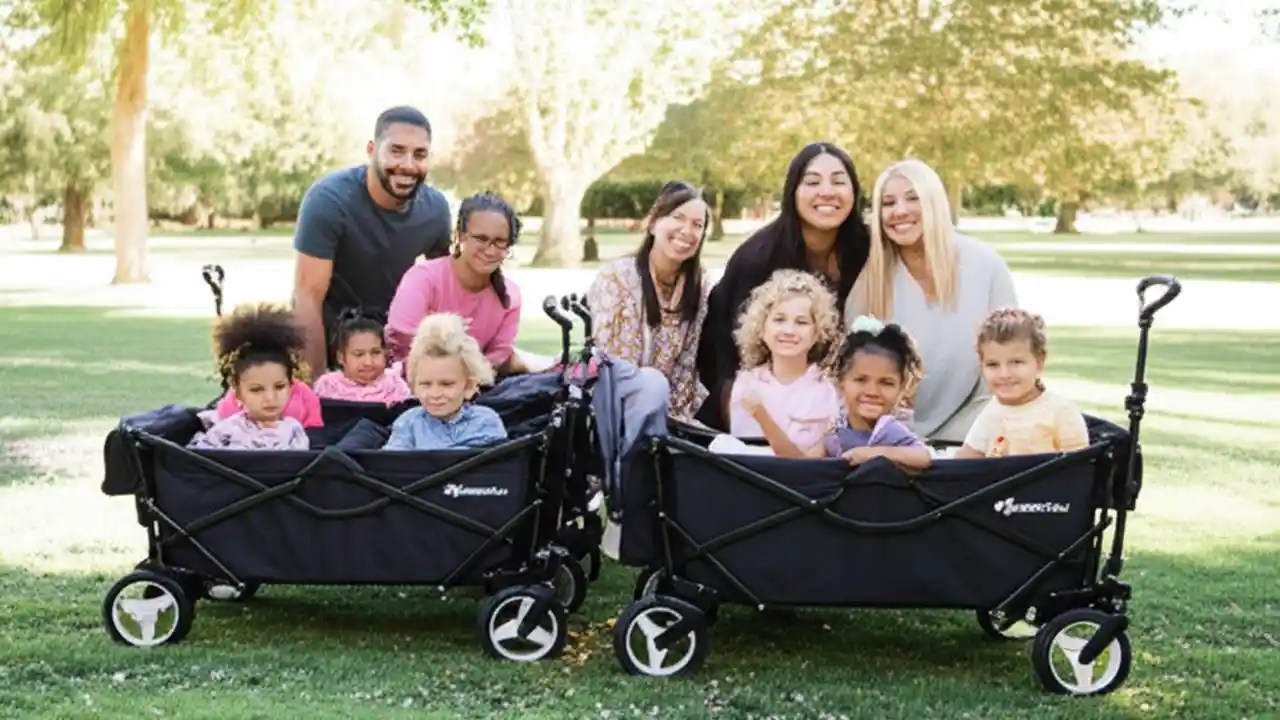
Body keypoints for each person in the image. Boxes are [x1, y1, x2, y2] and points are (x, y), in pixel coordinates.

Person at [697, 142, 872, 431]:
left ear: (854, 192)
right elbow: (726, 354)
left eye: (839, 181)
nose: (827, 191)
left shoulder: (869, 252)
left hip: (841, 403)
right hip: (763, 403)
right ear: (793, 192)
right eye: (813, 182)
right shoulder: (757, 259)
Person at [846, 158, 1017, 442]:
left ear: (935, 203)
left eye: (913, 198)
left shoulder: (986, 266)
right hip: (889, 437)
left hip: (975, 431)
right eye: (888, 203)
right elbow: (851, 373)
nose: (900, 211)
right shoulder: (870, 281)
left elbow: (1009, 356)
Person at [292, 106, 452, 378]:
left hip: (393, 349)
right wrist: (316, 386)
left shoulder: (435, 209)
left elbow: (444, 292)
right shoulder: (328, 200)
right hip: (336, 344)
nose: (408, 165)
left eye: (420, 154)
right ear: (371, 150)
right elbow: (307, 297)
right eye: (396, 150)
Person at [587, 181, 711, 421]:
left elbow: (688, 364)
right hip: (616, 407)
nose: (687, 231)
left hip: (673, 413)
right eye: (678, 218)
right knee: (651, 382)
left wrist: (675, 418)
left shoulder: (700, 285)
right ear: (654, 222)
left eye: (698, 225)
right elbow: (616, 365)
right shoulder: (618, 278)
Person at [756, 316, 930, 471]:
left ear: (901, 389)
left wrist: (874, 454)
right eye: (861, 380)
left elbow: (922, 457)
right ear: (841, 382)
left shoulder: (888, 429)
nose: (872, 392)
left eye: (886, 383)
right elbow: (803, 467)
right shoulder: (837, 433)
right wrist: (763, 418)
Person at [385, 191, 525, 376]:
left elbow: (498, 356)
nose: (490, 251)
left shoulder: (510, 295)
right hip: (412, 386)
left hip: (474, 388)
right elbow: (402, 340)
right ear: (461, 236)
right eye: (481, 239)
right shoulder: (423, 278)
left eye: (499, 242)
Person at [728, 269, 842, 451]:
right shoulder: (747, 385)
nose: (789, 330)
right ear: (762, 329)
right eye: (779, 320)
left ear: (817, 333)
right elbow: (746, 454)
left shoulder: (828, 390)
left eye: (801, 322)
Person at [956, 308, 1089, 458]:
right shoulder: (992, 412)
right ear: (981, 365)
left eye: (1016, 362)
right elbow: (967, 457)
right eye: (993, 364)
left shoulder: (1060, 412)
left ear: (1039, 362)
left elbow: (1079, 467)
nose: (1004, 374)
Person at [190, 304, 312, 450]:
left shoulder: (294, 431)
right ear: (237, 392)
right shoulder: (226, 430)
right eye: (256, 390)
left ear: (291, 385)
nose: (270, 398)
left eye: (279, 387)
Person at [384, 313, 507, 450]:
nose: (435, 394)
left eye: (447, 384)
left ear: (469, 386)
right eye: (425, 384)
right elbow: (392, 464)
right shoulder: (408, 423)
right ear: (413, 386)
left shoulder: (485, 421)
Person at [311, 308, 412, 405]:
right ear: (341, 357)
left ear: (385, 353)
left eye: (375, 352)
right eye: (359, 354)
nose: (368, 362)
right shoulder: (327, 386)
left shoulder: (394, 384)